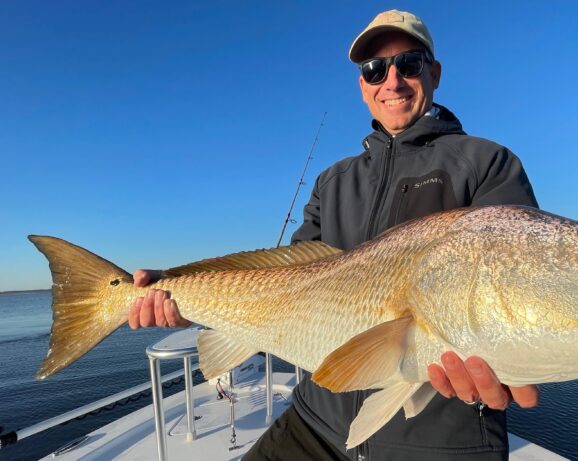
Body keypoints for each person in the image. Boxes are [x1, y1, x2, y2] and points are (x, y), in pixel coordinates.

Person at [130, 10, 540, 461]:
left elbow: (516, 281)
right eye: (374, 69)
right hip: (316, 421)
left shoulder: (487, 163)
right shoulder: (333, 179)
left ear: (434, 73)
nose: (393, 81)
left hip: (439, 441)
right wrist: (184, 295)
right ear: (363, 86)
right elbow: (286, 283)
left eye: (409, 63)